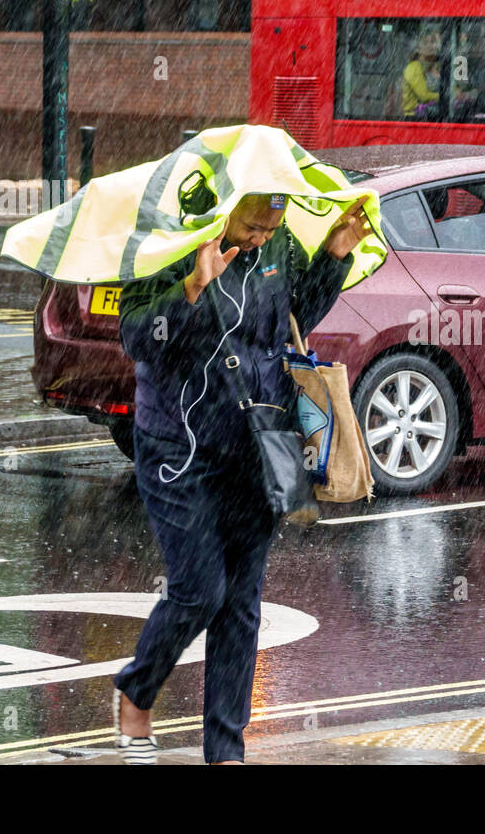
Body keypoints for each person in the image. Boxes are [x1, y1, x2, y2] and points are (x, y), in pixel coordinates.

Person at [112, 191, 373, 765]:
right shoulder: (169, 242)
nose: (260, 238)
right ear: (225, 207)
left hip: (259, 442)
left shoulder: (279, 242)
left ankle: (225, 753)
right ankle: (138, 688)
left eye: (270, 227)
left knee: (241, 604)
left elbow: (297, 309)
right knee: (200, 589)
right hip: (176, 445)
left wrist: (333, 256)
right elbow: (136, 338)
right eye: (253, 225)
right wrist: (191, 288)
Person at [402, 27, 442, 118]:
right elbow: (424, 96)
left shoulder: (434, 66)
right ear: (418, 49)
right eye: (425, 43)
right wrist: (445, 97)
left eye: (432, 42)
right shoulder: (414, 67)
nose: (430, 45)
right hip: (415, 117)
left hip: (432, 114)